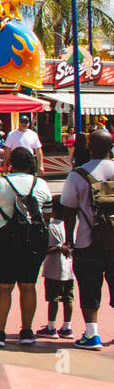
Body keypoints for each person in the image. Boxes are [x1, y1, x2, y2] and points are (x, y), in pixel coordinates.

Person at [0, 147, 54, 348]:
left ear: (10, 163)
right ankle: (26, 331)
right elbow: (46, 217)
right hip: (34, 241)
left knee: (4, 287)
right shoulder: (41, 184)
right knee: (28, 286)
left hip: (3, 239)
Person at [58, 127, 114, 350]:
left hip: (87, 242)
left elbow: (69, 211)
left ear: (89, 147)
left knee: (89, 287)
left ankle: (92, 335)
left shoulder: (78, 174)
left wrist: (69, 241)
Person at [38, 215, 74, 339]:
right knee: (68, 298)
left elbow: (46, 248)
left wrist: (58, 248)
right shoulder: (71, 226)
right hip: (69, 268)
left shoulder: (51, 226)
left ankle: (51, 327)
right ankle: (67, 327)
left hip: (54, 268)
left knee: (53, 298)